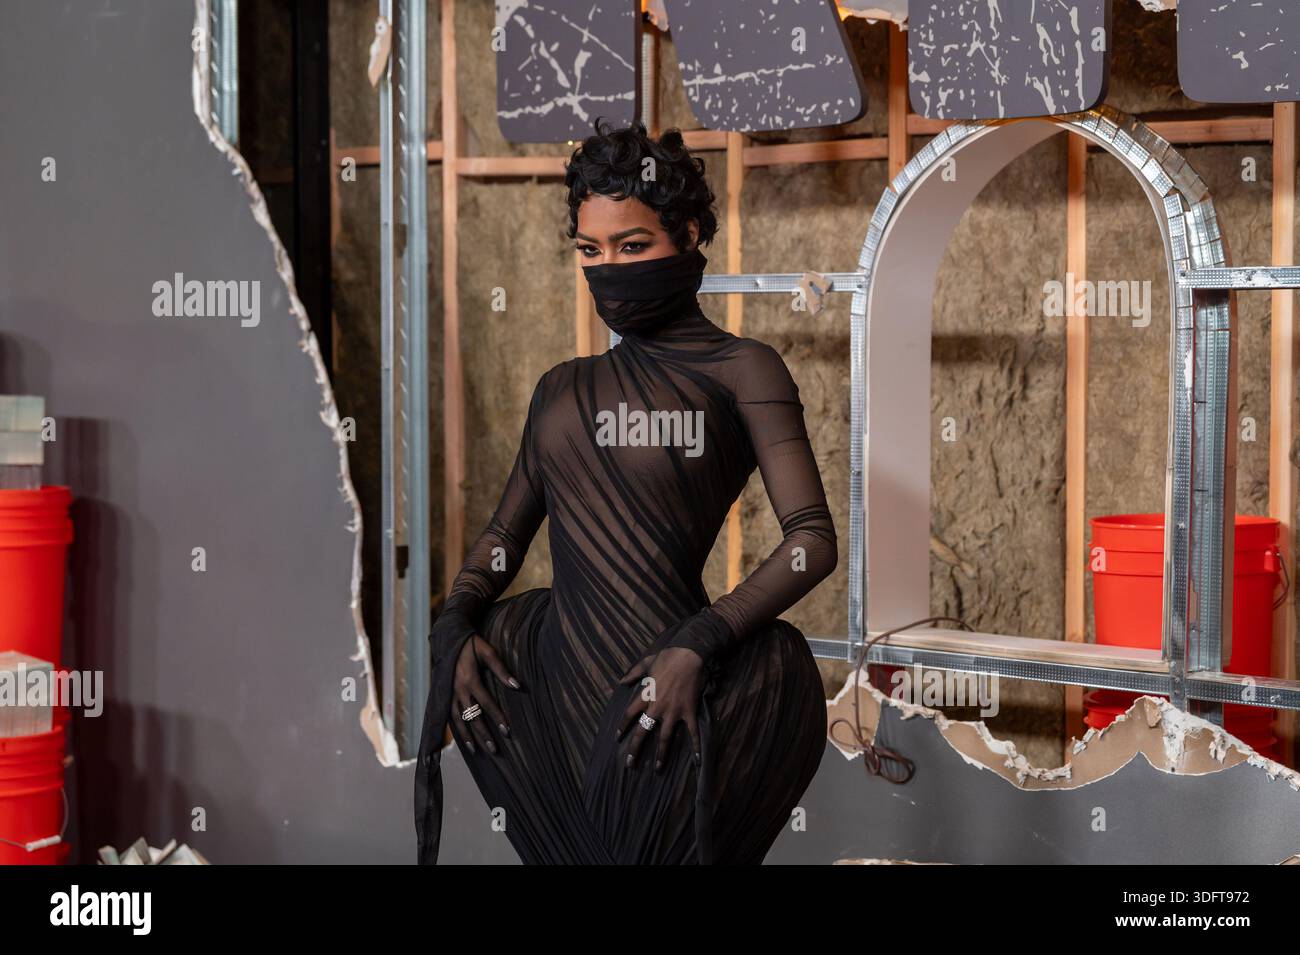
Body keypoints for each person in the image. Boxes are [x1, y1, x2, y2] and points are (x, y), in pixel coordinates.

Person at [414, 120, 838, 864]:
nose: (608, 268)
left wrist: (700, 641)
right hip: (548, 699)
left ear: (691, 233)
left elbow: (812, 541)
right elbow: (504, 538)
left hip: (664, 687)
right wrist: (454, 621)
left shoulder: (744, 371)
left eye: (632, 246)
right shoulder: (561, 388)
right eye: (590, 250)